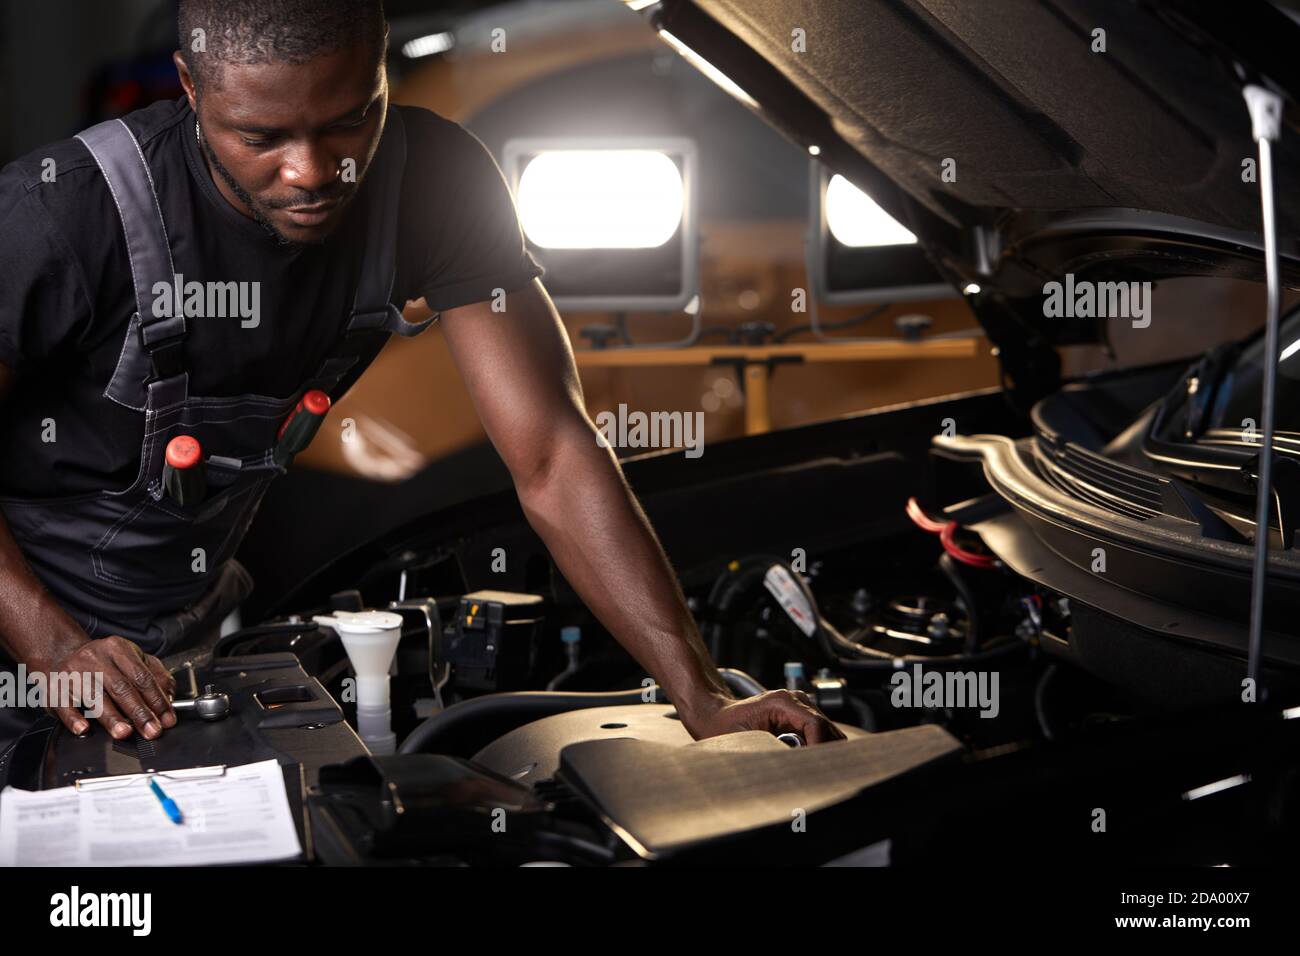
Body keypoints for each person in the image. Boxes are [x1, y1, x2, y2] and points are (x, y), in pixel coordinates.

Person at [0, 0, 843, 758]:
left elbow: (551, 452)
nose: (310, 171)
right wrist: (51, 643)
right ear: (189, 86)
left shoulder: (435, 182)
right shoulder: (64, 213)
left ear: (381, 75)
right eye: (260, 138)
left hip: (167, 648)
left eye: (347, 121)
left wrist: (699, 693)